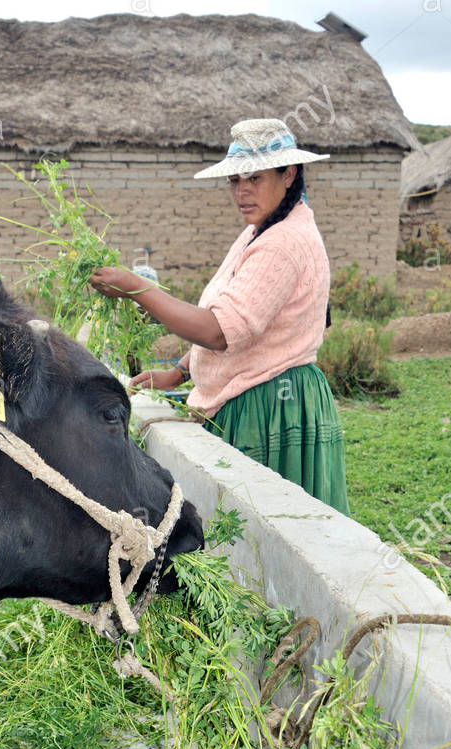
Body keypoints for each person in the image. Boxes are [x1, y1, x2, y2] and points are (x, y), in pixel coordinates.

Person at [88, 118, 350, 515]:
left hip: (271, 405)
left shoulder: (283, 242)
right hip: (253, 395)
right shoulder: (259, 230)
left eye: (254, 178)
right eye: (234, 181)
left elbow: (219, 331)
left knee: (265, 529)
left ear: (288, 174)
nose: (242, 191)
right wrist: (179, 372)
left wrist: (137, 289)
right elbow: (234, 315)